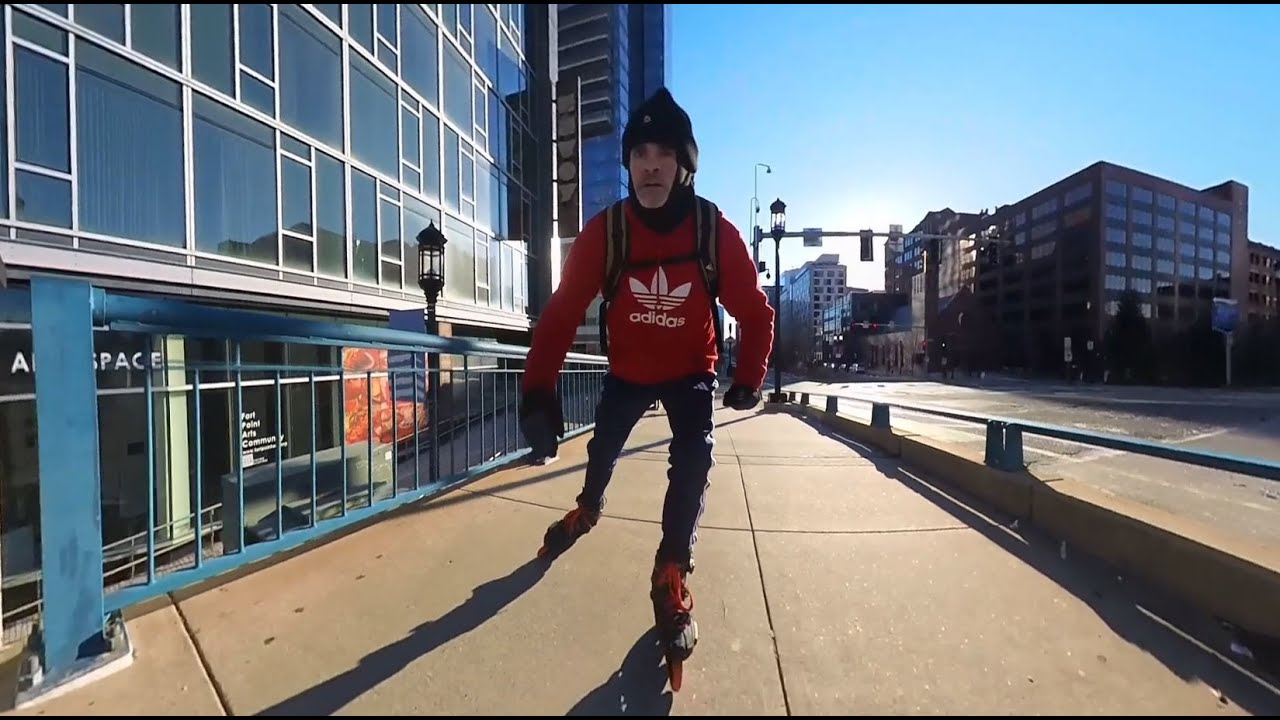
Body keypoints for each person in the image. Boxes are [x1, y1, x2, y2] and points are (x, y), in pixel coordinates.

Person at [518, 87, 775, 666]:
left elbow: (755, 311)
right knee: (603, 444)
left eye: (664, 152)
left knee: (692, 459)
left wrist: (749, 377)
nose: (651, 163)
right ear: (630, 165)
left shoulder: (714, 231)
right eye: (639, 153)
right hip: (628, 372)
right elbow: (560, 314)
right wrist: (536, 391)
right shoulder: (607, 233)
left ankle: (671, 568)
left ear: (685, 165)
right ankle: (590, 504)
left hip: (690, 371)